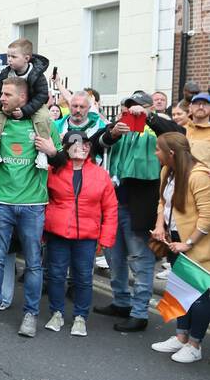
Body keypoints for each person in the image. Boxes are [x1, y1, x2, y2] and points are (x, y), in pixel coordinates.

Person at [0, 76, 62, 336]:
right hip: (0, 201)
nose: (0, 98)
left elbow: (62, 160)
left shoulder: (43, 124)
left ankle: (30, 314)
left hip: (33, 204)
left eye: (7, 94)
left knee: (33, 263)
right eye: (1, 94)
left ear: (23, 98)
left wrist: (50, 150)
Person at [94, 91, 181, 332]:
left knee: (139, 259)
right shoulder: (120, 126)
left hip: (140, 206)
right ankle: (121, 301)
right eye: (130, 106)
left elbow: (178, 135)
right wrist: (111, 134)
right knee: (114, 257)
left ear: (149, 107)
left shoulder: (158, 127)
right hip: (113, 203)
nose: (133, 111)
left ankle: (140, 312)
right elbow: (94, 143)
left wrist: (150, 117)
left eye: (138, 107)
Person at [43, 128, 118, 336]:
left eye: (85, 143)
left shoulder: (100, 175)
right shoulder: (52, 171)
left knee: (84, 277)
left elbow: (110, 209)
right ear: (66, 148)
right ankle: (56, 312)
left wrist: (106, 238)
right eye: (75, 143)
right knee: (56, 275)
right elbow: (41, 200)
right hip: (57, 234)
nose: (81, 146)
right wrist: (41, 230)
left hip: (87, 237)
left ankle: (80, 317)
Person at [150, 131, 210, 362]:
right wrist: (159, 226)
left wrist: (188, 243)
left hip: (196, 244)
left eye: (158, 149)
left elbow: (206, 217)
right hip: (174, 239)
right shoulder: (168, 171)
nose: (155, 153)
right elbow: (162, 202)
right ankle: (181, 337)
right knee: (179, 290)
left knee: (199, 296)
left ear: (171, 153)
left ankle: (195, 345)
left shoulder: (199, 176)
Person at [0, 39, 52, 169]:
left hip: (32, 107)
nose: (9, 60)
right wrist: (2, 107)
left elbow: (42, 95)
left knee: (43, 117)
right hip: (9, 107)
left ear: (26, 58)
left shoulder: (37, 73)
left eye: (13, 56)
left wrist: (25, 110)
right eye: (8, 56)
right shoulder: (6, 72)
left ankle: (42, 152)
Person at [51, 90, 106, 160]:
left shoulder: (99, 126)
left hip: (90, 168)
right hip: (63, 168)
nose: (78, 110)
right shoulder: (55, 126)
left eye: (82, 107)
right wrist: (56, 141)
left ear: (89, 108)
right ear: (69, 106)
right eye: (75, 106)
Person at [180, 91, 210, 165]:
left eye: (205, 104)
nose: (201, 107)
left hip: (204, 175)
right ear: (190, 107)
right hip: (182, 174)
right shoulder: (181, 130)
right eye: (197, 104)